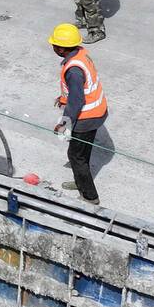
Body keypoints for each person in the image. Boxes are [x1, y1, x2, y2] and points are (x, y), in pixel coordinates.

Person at [49, 22, 108, 206]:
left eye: (54, 44)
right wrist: (63, 98)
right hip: (97, 112)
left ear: (61, 49)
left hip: (87, 117)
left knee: (76, 156)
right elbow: (77, 91)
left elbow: (77, 101)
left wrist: (64, 124)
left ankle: (90, 197)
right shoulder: (80, 55)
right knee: (82, 151)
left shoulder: (73, 70)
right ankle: (81, 181)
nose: (52, 47)